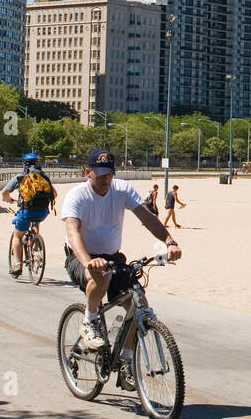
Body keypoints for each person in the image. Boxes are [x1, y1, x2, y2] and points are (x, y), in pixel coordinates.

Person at [62, 150, 182, 392]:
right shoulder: (77, 195)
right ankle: (89, 320)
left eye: (110, 174)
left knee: (138, 303)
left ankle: (126, 360)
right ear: (88, 173)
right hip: (80, 256)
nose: (106, 179)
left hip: (113, 256)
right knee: (101, 274)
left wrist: (170, 241)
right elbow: (73, 233)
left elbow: (147, 219)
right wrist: (87, 261)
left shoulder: (121, 189)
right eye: (101, 174)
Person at [0, 153, 56, 277]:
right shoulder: (44, 177)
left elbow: (4, 192)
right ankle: (36, 247)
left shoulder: (20, 177)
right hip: (42, 212)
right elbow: (54, 194)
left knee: (17, 236)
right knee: (35, 222)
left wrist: (8, 199)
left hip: (26, 210)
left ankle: (17, 265)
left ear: (24, 163)